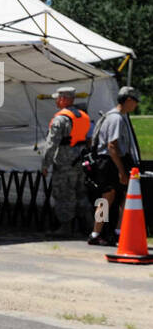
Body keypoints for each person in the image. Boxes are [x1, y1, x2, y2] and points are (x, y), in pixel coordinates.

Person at [88, 86, 142, 247]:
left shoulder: (114, 116)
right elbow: (112, 146)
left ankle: (101, 232)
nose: (137, 105)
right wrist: (121, 171)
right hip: (111, 162)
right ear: (128, 100)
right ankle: (101, 233)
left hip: (108, 162)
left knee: (111, 199)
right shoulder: (117, 118)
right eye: (135, 101)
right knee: (110, 199)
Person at [40, 87, 90, 236]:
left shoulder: (60, 119)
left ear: (64, 99)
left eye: (58, 98)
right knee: (81, 194)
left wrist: (45, 164)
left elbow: (51, 144)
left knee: (63, 194)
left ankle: (66, 227)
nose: (56, 101)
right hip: (80, 162)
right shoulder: (82, 116)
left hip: (64, 164)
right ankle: (89, 226)